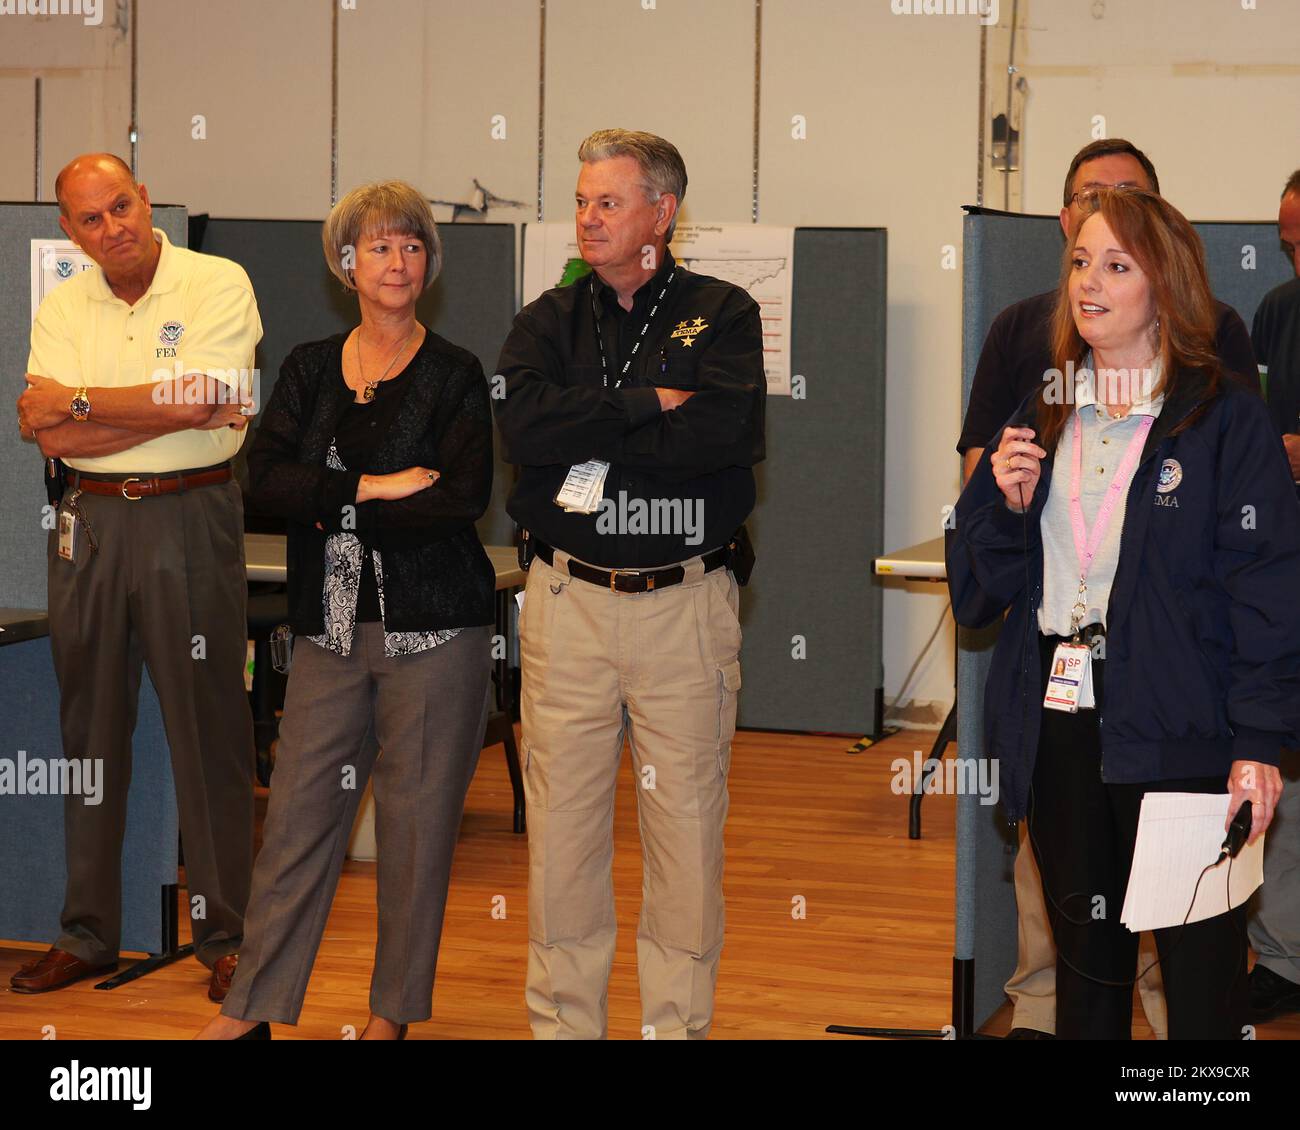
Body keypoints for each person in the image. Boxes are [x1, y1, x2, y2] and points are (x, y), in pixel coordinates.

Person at [948, 187, 1299, 1040]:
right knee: (1088, 974)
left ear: (1165, 286)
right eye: (1079, 263)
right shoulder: (1045, 411)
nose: (1089, 283)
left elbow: (1271, 591)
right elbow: (979, 591)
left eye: (1116, 265)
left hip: (1182, 736)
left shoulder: (1222, 422)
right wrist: (997, 502)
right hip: (1064, 725)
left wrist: (1257, 744)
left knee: (1200, 984)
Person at [195, 182, 495, 1040]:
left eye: (411, 246)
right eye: (378, 247)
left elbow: (459, 499)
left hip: (437, 630)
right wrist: (374, 486)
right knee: (294, 824)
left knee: (414, 830)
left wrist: (333, 502)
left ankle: (391, 1015)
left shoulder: (456, 374)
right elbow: (264, 482)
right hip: (327, 632)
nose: (397, 262)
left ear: (428, 263)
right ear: (346, 264)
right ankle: (250, 1007)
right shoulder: (307, 367)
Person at [494, 128, 765, 1039]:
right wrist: (648, 405)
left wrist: (589, 429)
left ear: (663, 211)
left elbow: (722, 440)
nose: (588, 218)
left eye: (608, 202)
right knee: (562, 838)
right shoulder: (547, 319)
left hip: (682, 607)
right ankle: (565, 1029)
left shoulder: (722, 313)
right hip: (567, 604)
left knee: (684, 838)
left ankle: (671, 1030)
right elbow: (525, 432)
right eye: (580, 201)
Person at [12, 153, 259, 1002]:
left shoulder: (216, 281)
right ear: (69, 232)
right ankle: (87, 935)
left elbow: (203, 404)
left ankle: (230, 935)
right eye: (90, 218)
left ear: (145, 200)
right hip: (88, 522)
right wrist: (133, 409)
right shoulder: (62, 301)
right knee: (88, 732)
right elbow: (43, 433)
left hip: (188, 515)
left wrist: (79, 402)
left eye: (121, 205)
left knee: (209, 730)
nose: (112, 227)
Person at [1246, 166, 1300, 1023]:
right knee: (1283, 764)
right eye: (1288, 242)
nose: (1295, 255)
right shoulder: (1276, 312)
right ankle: (1286, 957)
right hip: (1283, 566)